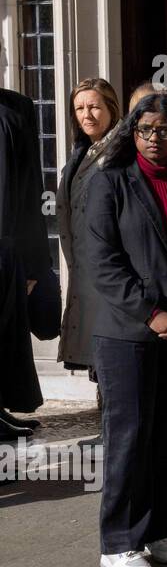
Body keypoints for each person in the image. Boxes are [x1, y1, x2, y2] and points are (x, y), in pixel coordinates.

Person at [84, 93, 167, 567]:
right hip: (127, 332)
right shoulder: (110, 182)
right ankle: (119, 540)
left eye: (164, 130)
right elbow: (101, 261)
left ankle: (161, 530)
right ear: (132, 133)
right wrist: (151, 314)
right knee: (130, 435)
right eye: (145, 131)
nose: (154, 140)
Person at [56, 79, 123, 400]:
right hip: (84, 267)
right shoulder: (80, 153)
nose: (88, 115)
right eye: (80, 108)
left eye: (95, 106)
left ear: (111, 108)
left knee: (111, 355)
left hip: (111, 270)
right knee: (99, 355)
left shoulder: (120, 152)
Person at [0, 87, 50, 438]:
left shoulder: (16, 108)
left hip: (8, 246)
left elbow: (31, 184)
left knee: (7, 337)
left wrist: (34, 262)